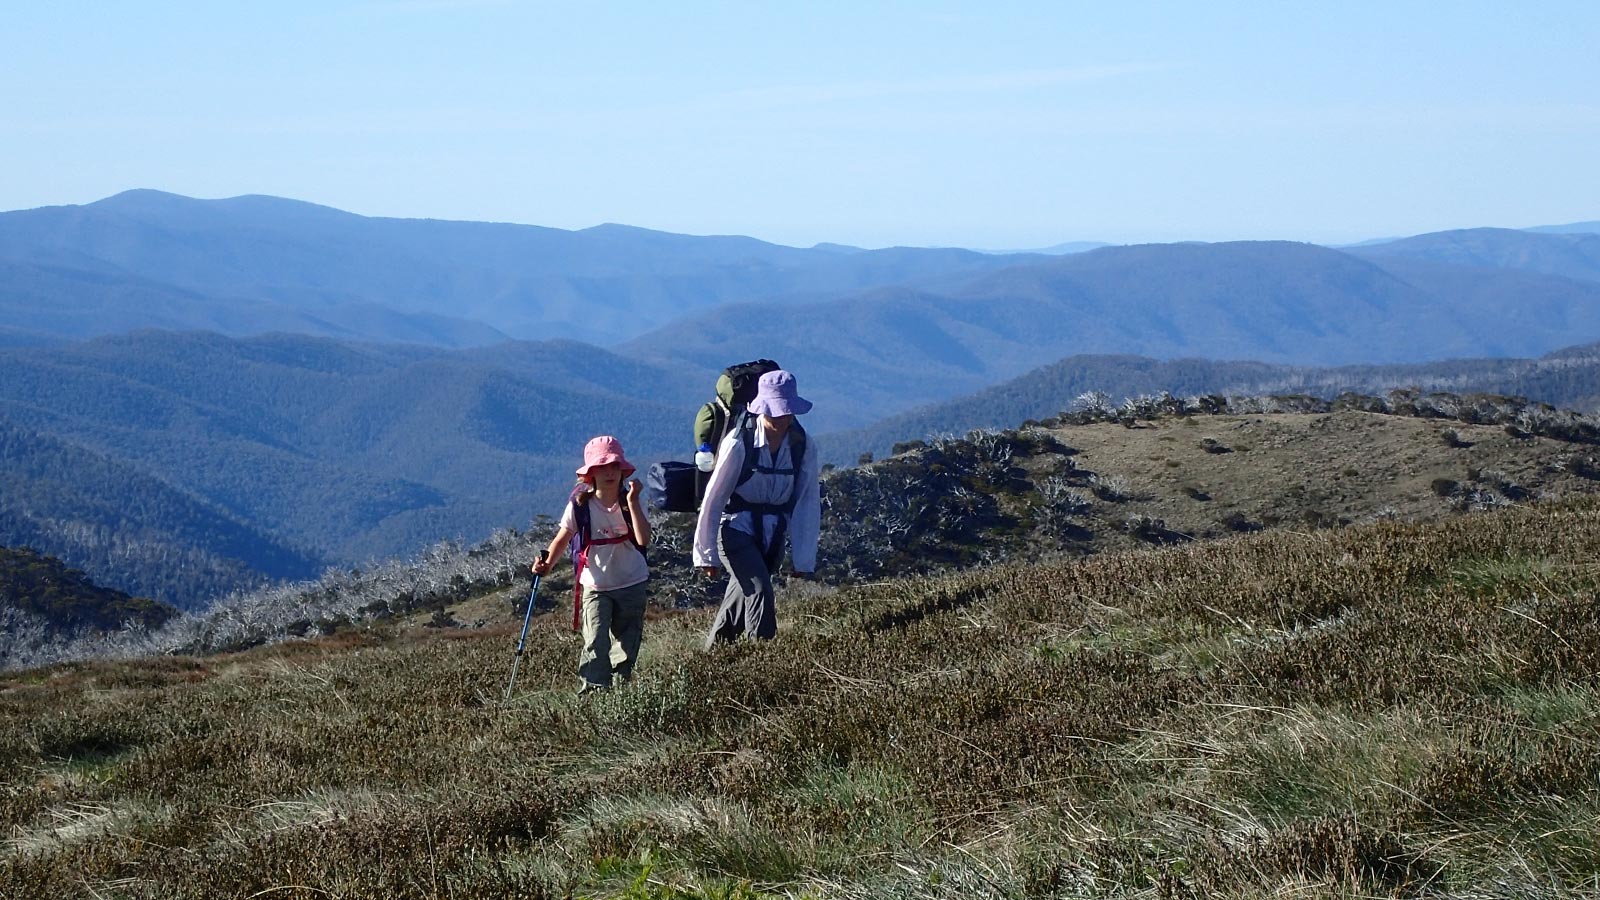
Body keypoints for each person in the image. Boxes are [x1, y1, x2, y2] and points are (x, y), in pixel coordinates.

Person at [694, 369, 820, 646]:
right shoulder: (738, 443)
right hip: (734, 529)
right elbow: (714, 498)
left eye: (786, 411)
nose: (782, 417)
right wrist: (706, 554)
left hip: (772, 535)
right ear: (762, 408)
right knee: (760, 591)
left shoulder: (803, 445)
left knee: (739, 598)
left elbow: (807, 502)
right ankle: (763, 657)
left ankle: (715, 658)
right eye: (776, 411)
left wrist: (803, 558)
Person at [533, 435, 651, 693]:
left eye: (614, 466)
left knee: (627, 641)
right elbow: (562, 538)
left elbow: (644, 540)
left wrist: (633, 504)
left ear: (622, 470)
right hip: (595, 585)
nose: (609, 472)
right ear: (590, 474)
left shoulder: (630, 501)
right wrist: (546, 565)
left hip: (632, 582)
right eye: (602, 467)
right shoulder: (579, 506)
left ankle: (620, 690)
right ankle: (594, 692)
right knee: (595, 640)